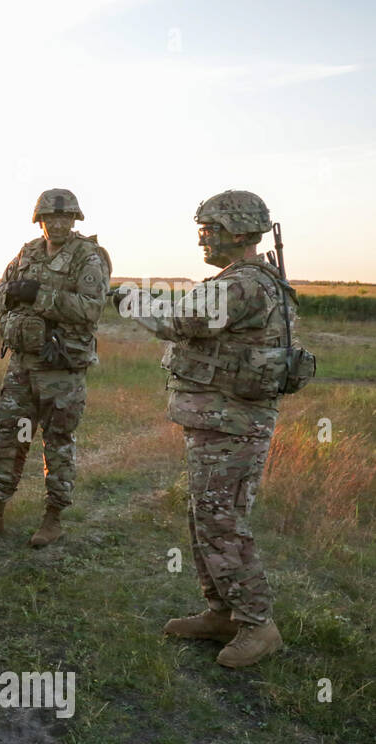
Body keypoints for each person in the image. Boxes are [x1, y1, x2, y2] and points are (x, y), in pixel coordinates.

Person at [132, 190, 309, 667]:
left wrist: (130, 301)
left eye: (210, 229)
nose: (202, 239)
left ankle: (257, 624)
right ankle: (221, 612)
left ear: (239, 230)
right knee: (205, 517)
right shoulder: (243, 281)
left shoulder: (244, 284)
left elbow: (178, 319)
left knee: (223, 521)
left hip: (233, 423)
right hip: (219, 420)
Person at [0, 188, 111, 547]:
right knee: (11, 436)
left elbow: (90, 308)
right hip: (22, 365)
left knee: (57, 441)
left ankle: (53, 519)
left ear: (75, 220)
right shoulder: (28, 251)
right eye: (50, 218)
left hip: (61, 368)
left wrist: (37, 296)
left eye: (64, 218)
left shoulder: (89, 256)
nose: (56, 224)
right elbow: (2, 292)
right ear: (39, 220)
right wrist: (14, 306)